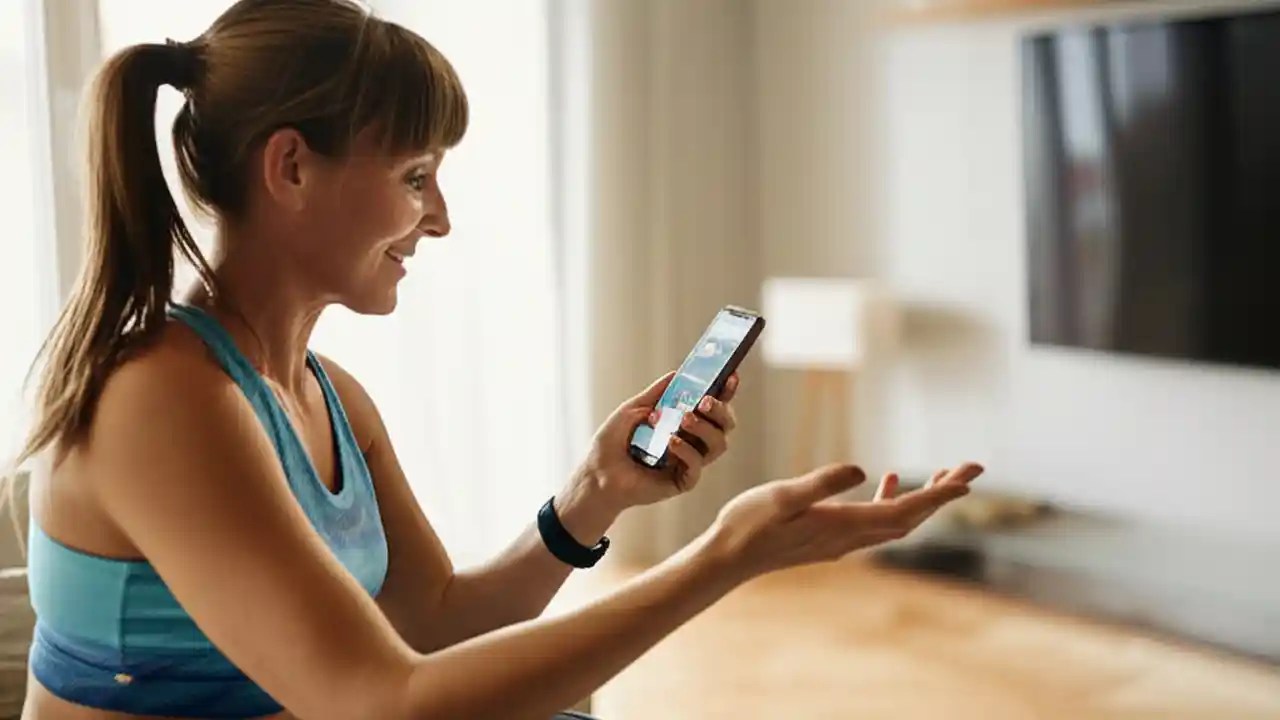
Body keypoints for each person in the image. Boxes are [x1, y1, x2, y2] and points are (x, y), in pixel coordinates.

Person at [9, 1, 983, 718]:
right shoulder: (162, 398)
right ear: (291, 166)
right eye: (415, 176)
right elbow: (384, 702)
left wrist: (592, 496)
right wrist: (723, 559)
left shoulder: (325, 393)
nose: (437, 218)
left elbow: (434, 621)